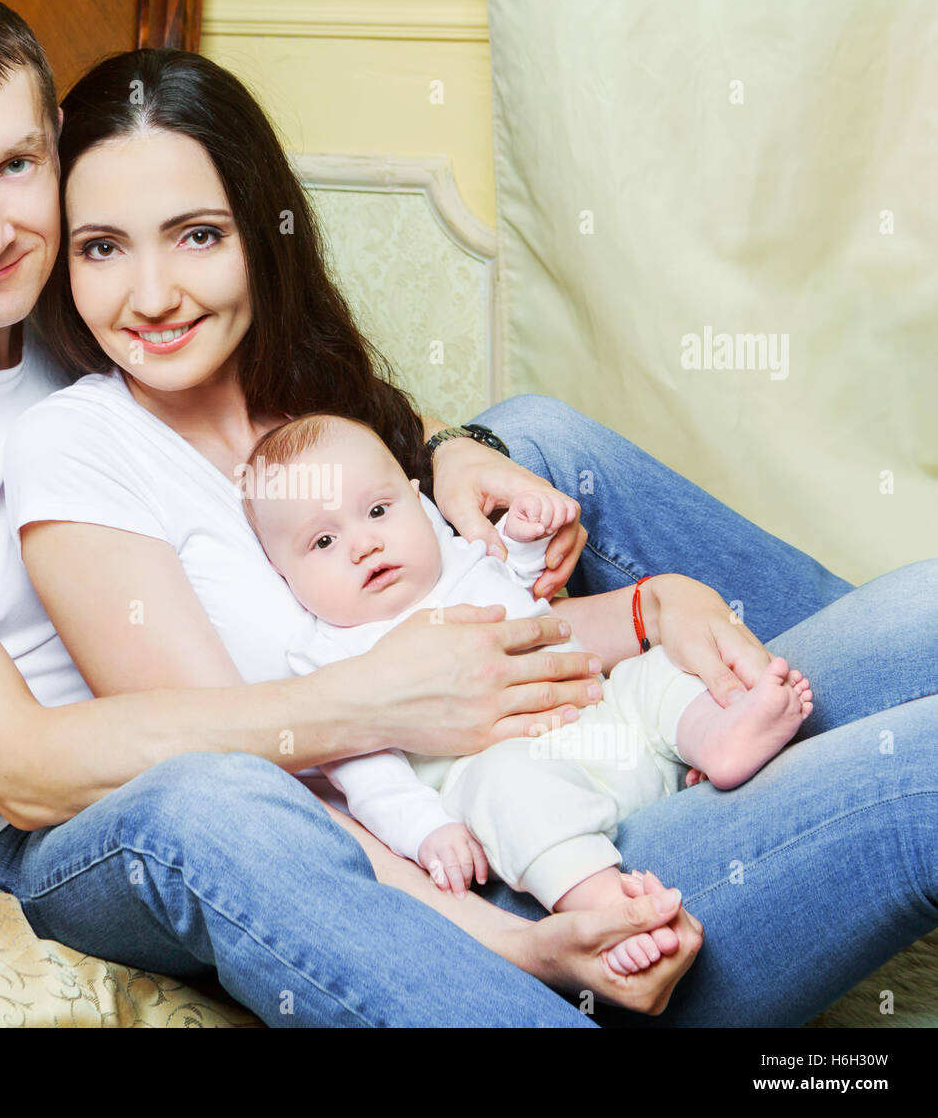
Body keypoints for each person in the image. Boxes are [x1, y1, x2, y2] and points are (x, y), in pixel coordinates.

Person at [0, 0, 709, 1026]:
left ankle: (768, 692)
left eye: (14, 167)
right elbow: (17, 772)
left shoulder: (65, 305)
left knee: (540, 432)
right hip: (49, 830)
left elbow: (267, 426)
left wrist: (455, 456)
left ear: (55, 151)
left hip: (229, 692)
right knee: (212, 798)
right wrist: (378, 713)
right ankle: (521, 967)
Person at [0, 42, 938, 1027]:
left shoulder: (311, 398)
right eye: (100, 247)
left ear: (261, 235)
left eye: (196, 236)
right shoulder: (80, 445)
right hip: (497, 869)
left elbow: (491, 622)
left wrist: (652, 601)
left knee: (915, 605)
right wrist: (521, 947)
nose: (150, 296)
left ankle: (741, 731)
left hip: (608, 744)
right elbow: (251, 811)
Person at [240, 412, 813, 975]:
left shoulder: (462, 560)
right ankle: (602, 901)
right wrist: (426, 832)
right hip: (512, 773)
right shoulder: (330, 659)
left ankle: (720, 737)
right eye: (322, 540)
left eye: (378, 511)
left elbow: (521, 581)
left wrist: (527, 531)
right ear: (281, 574)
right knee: (503, 787)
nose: (363, 543)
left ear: (420, 503)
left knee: (655, 672)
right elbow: (369, 777)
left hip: (603, 717)